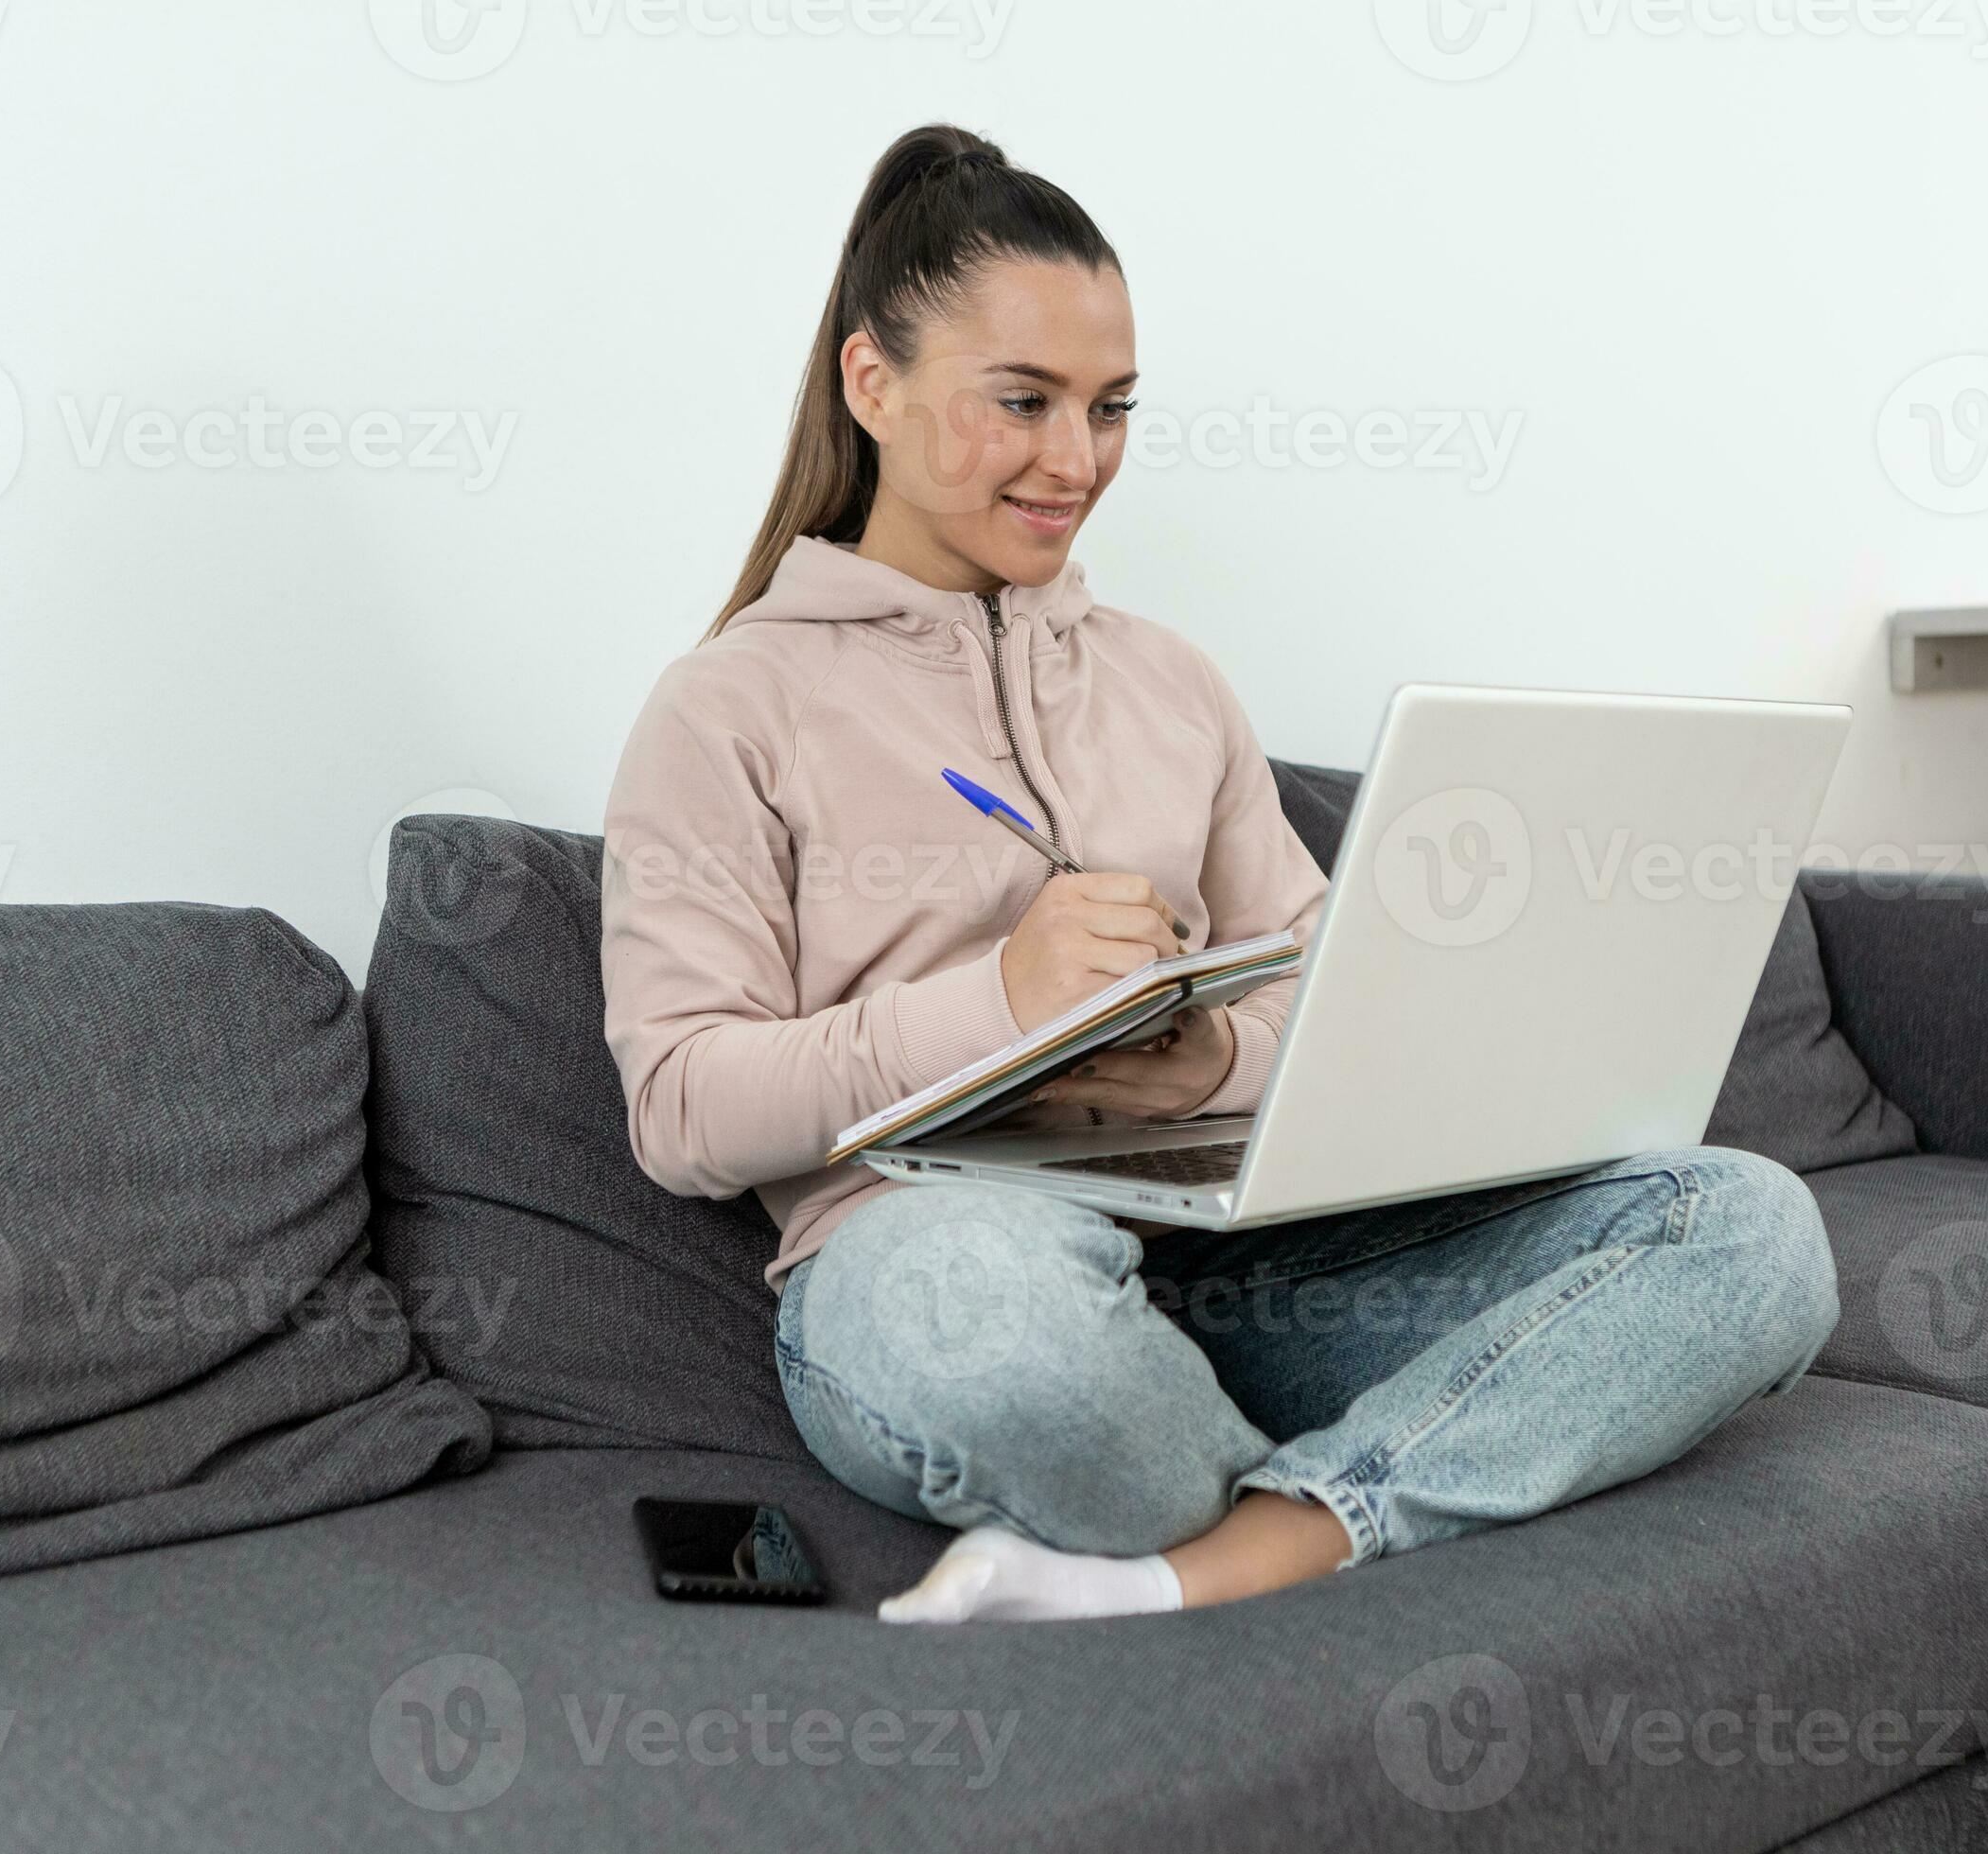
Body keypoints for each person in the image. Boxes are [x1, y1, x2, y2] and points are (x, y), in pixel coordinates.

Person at [602, 123, 1838, 1625]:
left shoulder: (1171, 683)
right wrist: (1001, 1000)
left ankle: (1237, 1555)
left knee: (1746, 1227)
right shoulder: (726, 706)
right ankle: (1371, 1489)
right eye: (1024, 402)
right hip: (930, 1260)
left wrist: (1202, 1073)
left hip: (1243, 1258)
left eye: (1111, 407)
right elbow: (682, 1108)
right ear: (874, 383)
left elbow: (1334, 986)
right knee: (997, 1337)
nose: (1078, 460)